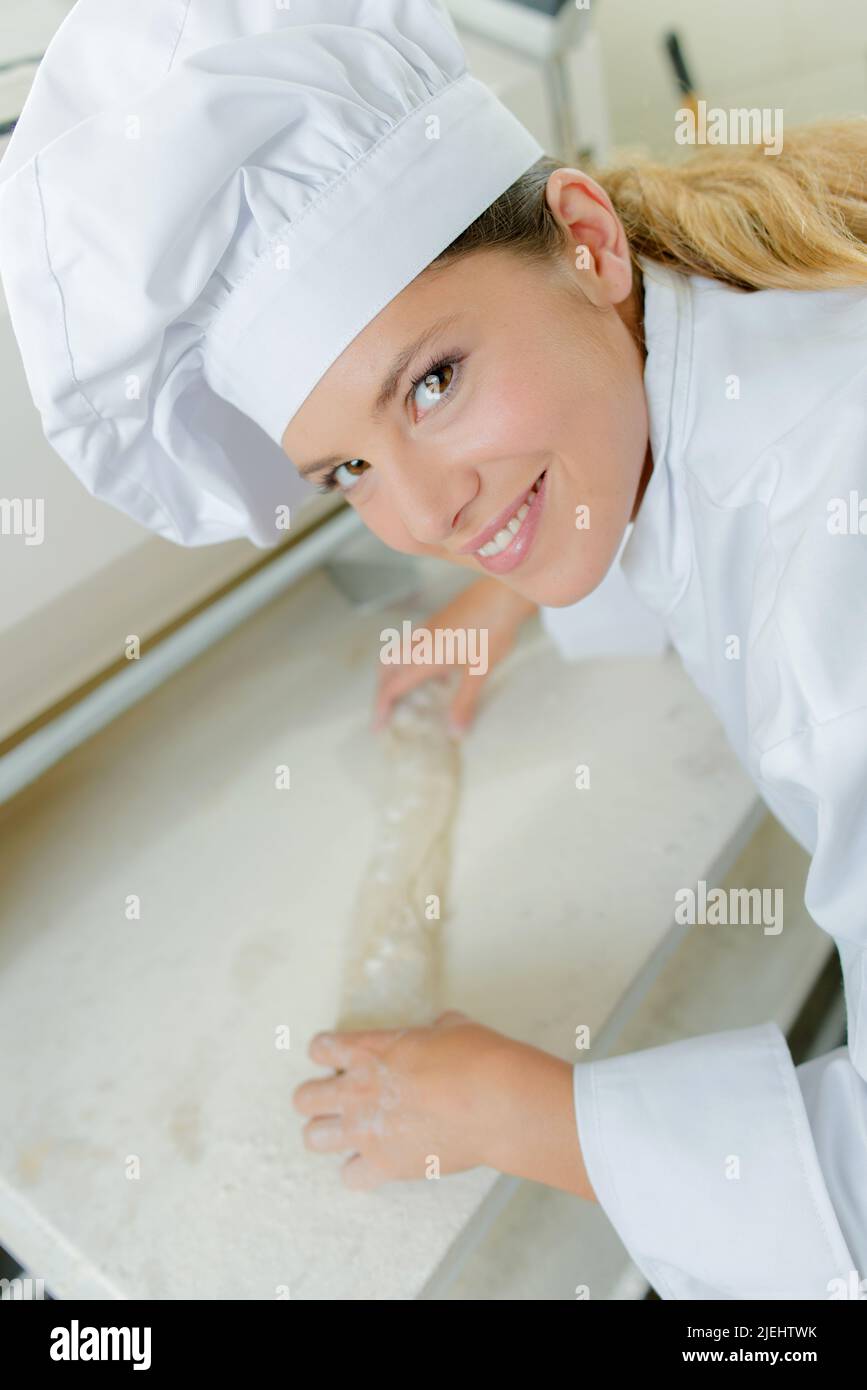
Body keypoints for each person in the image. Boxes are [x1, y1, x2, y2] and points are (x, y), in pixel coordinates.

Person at [1, 0, 865, 1300]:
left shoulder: (835, 557)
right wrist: (513, 589)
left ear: (585, 241)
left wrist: (522, 1109)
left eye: (433, 382)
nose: (419, 514)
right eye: (348, 466)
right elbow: (677, 470)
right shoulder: (719, 320)